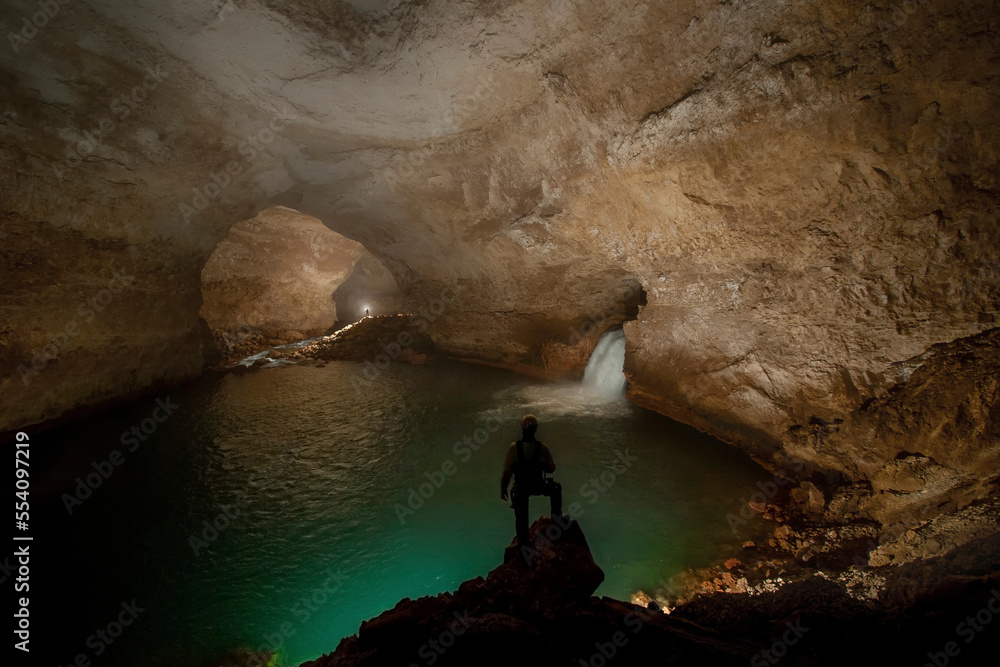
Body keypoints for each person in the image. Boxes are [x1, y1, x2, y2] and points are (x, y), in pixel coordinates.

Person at [500, 414, 563, 548]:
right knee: (556, 488)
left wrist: (503, 488)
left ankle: (523, 545)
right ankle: (557, 522)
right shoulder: (542, 448)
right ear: (535, 429)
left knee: (521, 519)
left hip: (521, 488)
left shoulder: (514, 448)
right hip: (538, 485)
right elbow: (551, 468)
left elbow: (507, 472)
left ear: (522, 428)